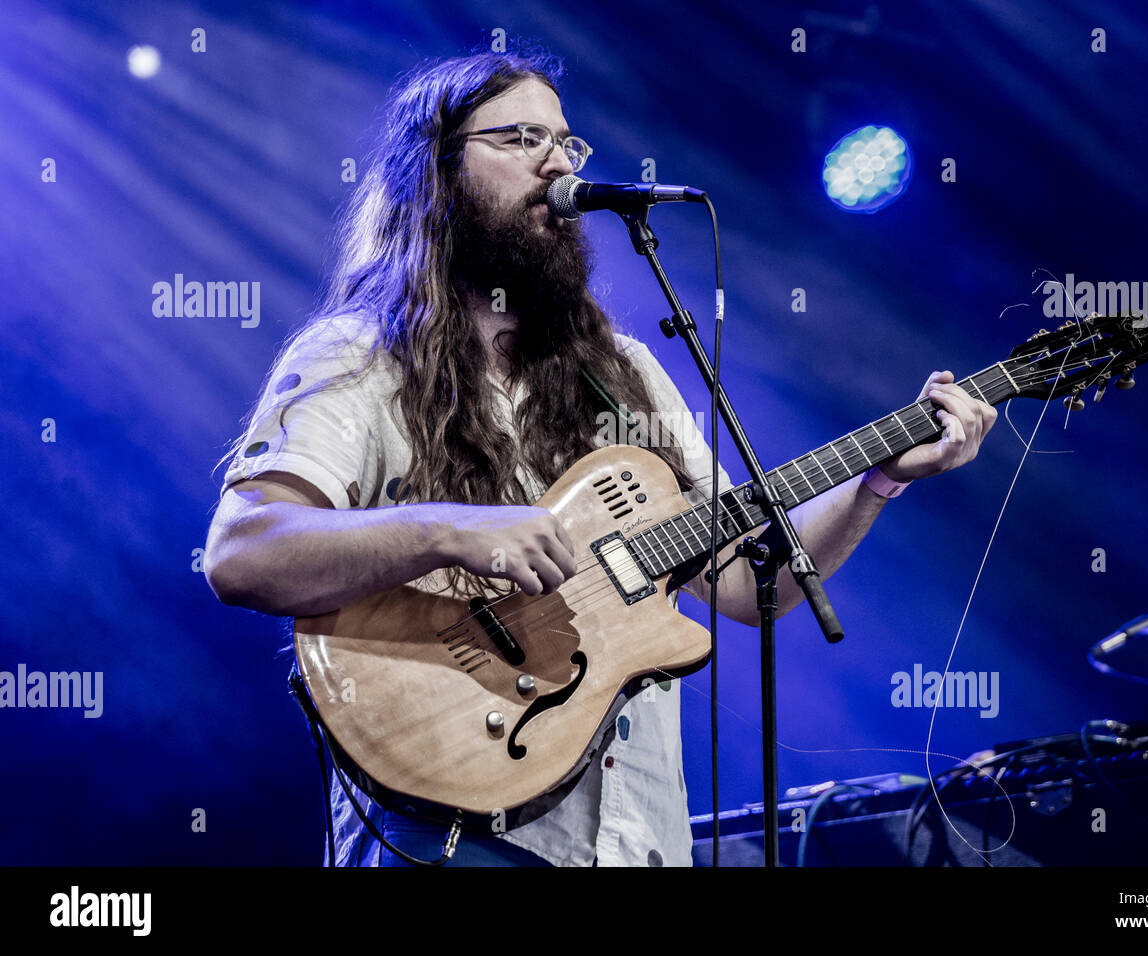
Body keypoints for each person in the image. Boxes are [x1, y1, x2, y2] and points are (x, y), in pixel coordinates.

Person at [202, 50, 998, 867]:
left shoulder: (621, 371)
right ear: (436, 169)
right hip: (449, 831)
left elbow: (747, 585)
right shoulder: (361, 355)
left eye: (565, 142)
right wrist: (447, 528)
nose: (555, 160)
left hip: (635, 840)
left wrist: (879, 481)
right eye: (519, 137)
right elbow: (243, 552)